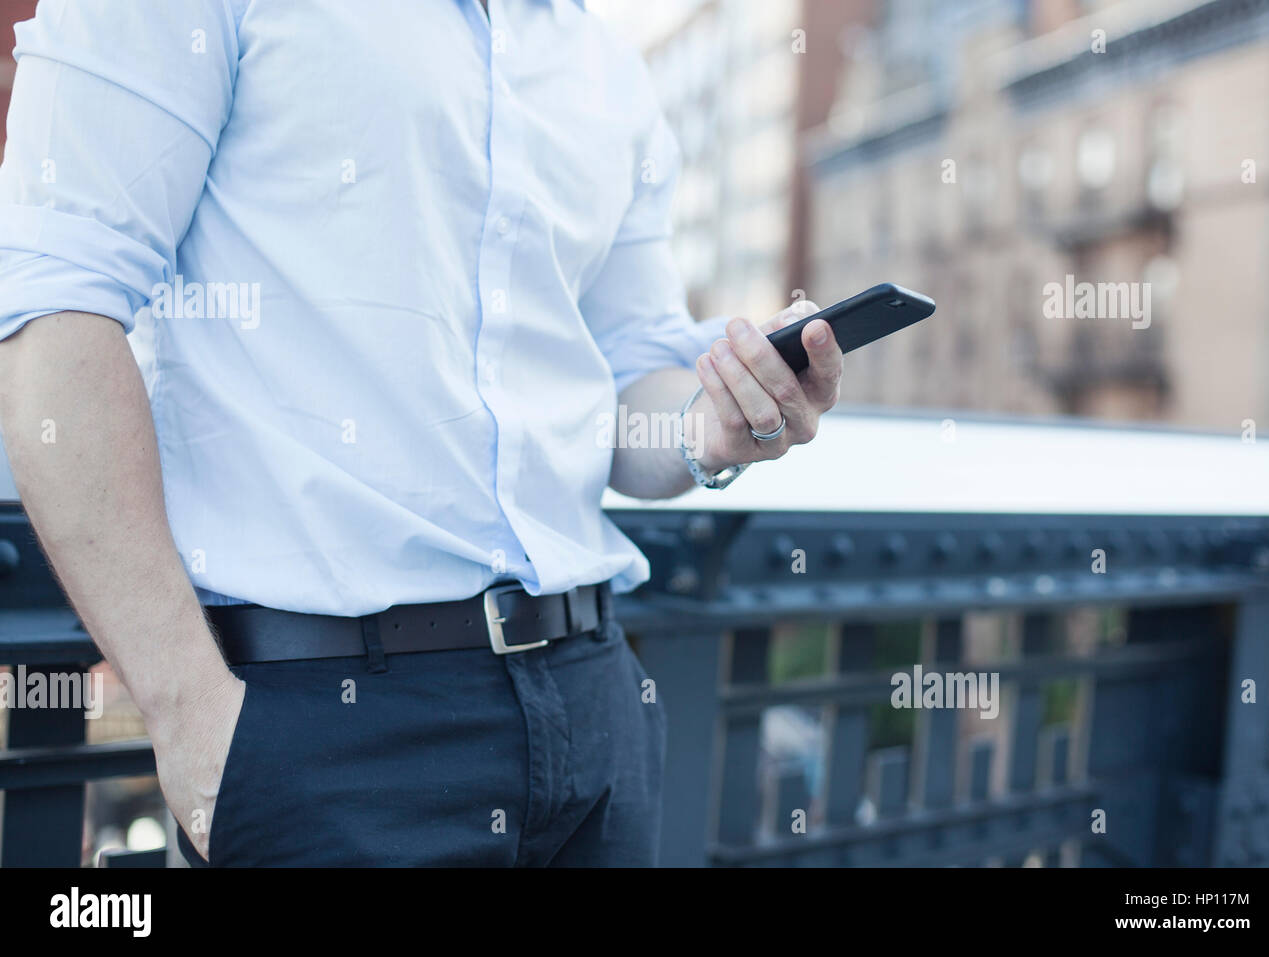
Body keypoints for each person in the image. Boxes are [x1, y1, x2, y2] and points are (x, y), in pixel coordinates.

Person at [0, 0, 842, 866]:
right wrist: (191, 716)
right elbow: (55, 308)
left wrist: (713, 424)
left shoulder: (602, 62)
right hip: (320, 731)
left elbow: (624, 387)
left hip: (594, 704)